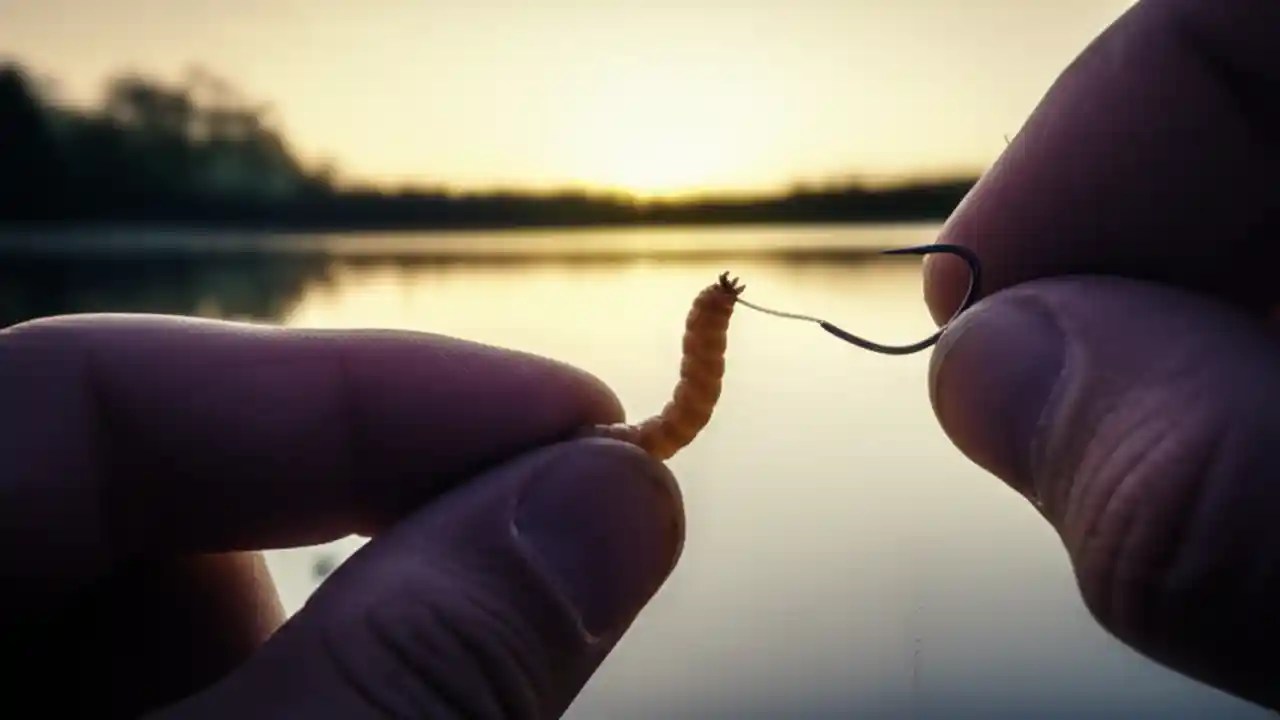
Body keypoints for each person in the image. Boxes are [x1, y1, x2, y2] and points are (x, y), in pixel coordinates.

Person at [2, 0, 1276, 716]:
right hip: (632, 448)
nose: (715, 315)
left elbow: (676, 412)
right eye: (709, 313)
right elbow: (671, 420)